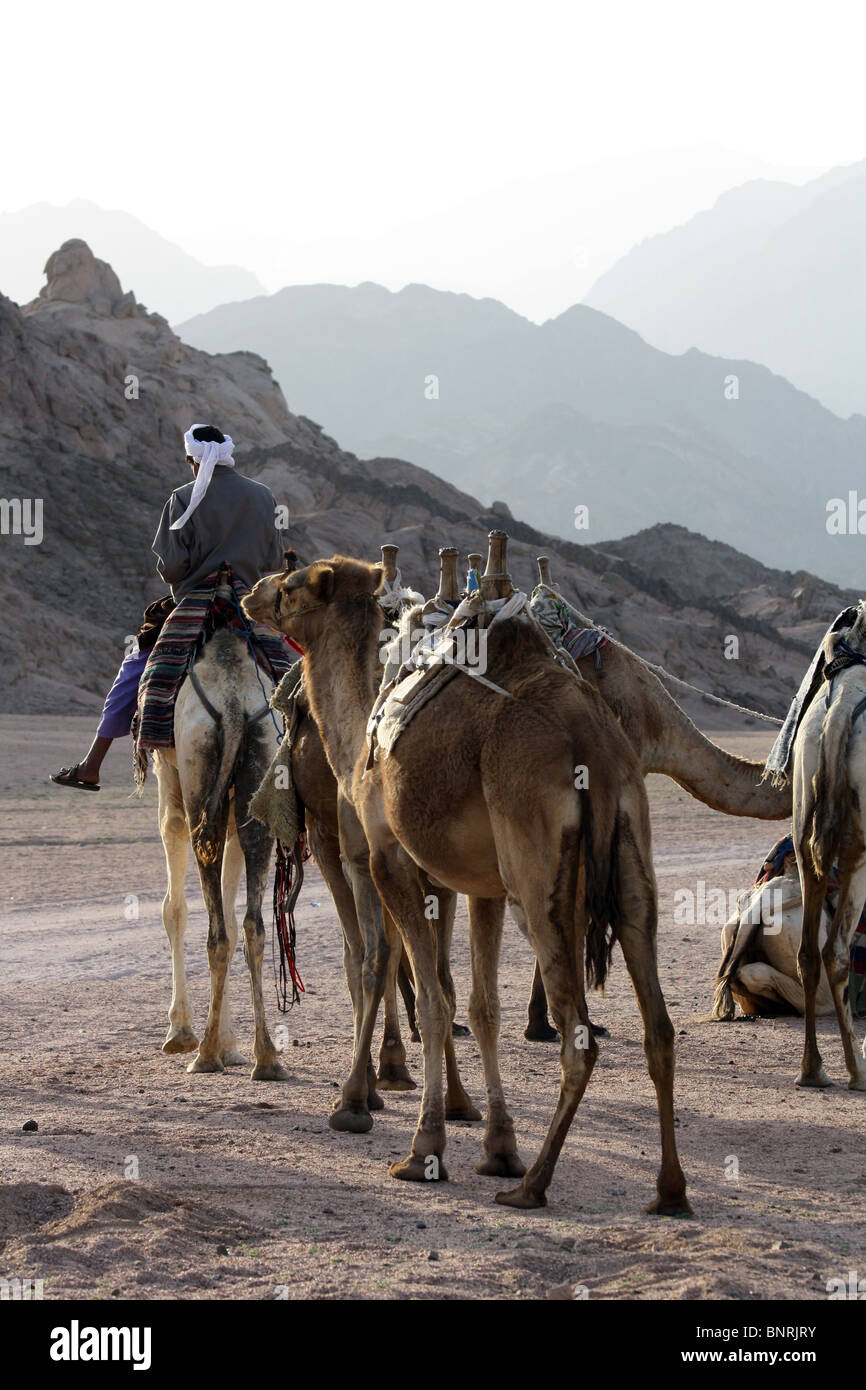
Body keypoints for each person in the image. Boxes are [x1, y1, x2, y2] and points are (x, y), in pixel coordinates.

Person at [51, 423, 286, 790]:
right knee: (291, 675)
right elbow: (273, 560)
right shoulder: (264, 496)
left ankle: (91, 764)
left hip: (196, 605)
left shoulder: (183, 497)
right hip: (247, 607)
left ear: (193, 459)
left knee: (137, 668)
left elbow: (171, 567)